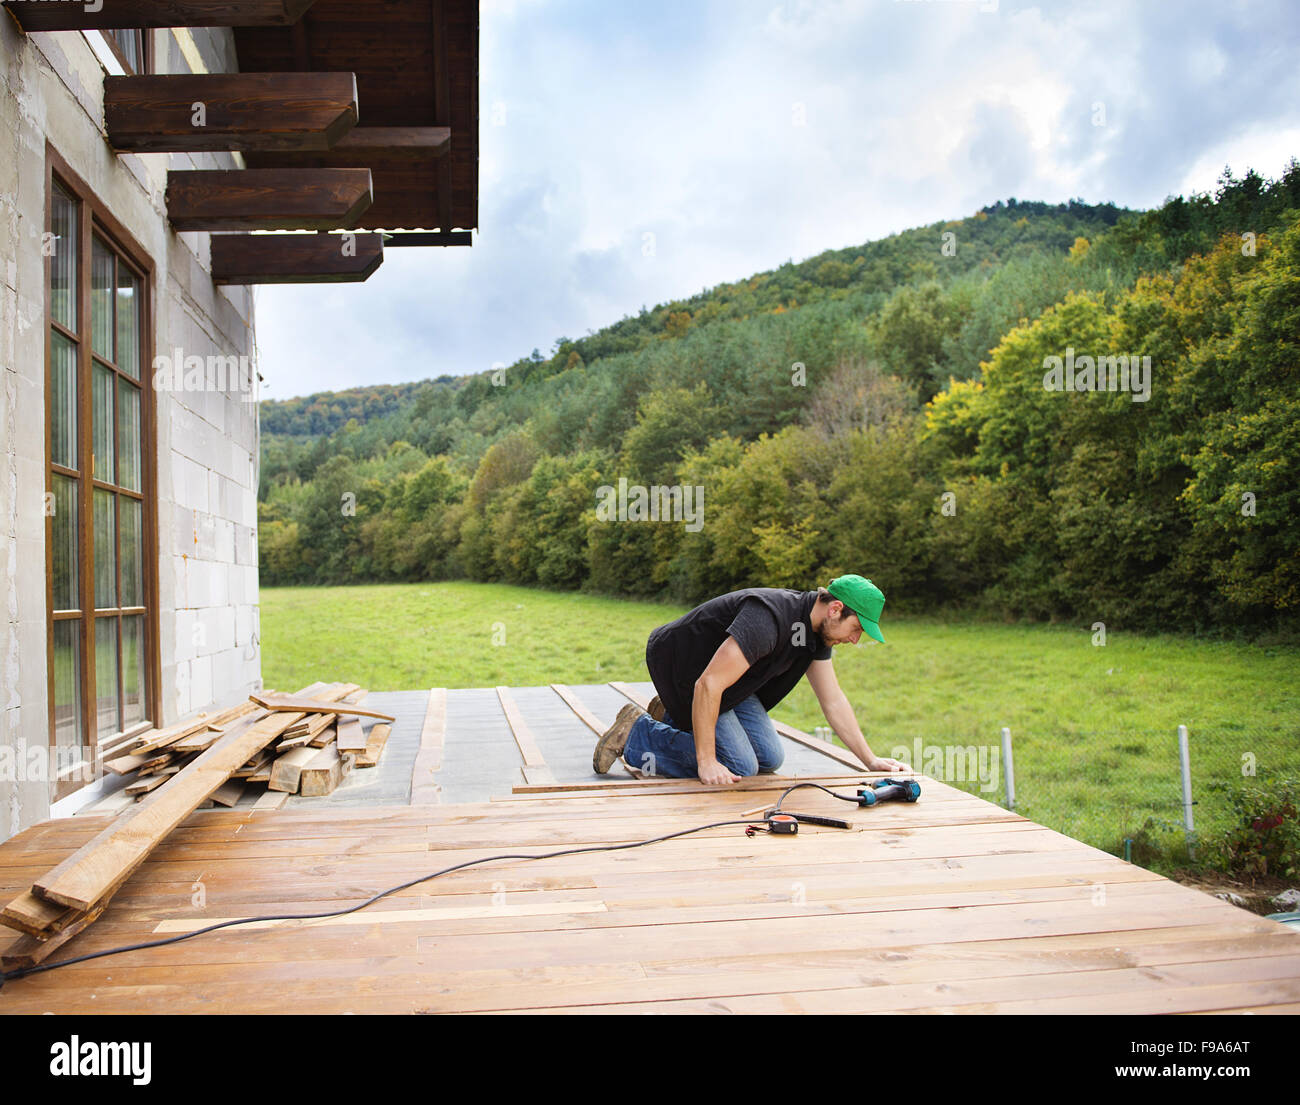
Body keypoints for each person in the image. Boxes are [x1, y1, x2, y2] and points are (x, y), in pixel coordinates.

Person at [593, 574, 908, 784]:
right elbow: (708, 684)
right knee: (739, 765)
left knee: (770, 757)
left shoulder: (815, 636)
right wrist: (705, 761)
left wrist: (870, 760)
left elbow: (833, 700)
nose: (855, 640)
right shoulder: (769, 619)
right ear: (835, 609)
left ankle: (676, 717)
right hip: (684, 667)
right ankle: (637, 733)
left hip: (729, 683)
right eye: (856, 629)